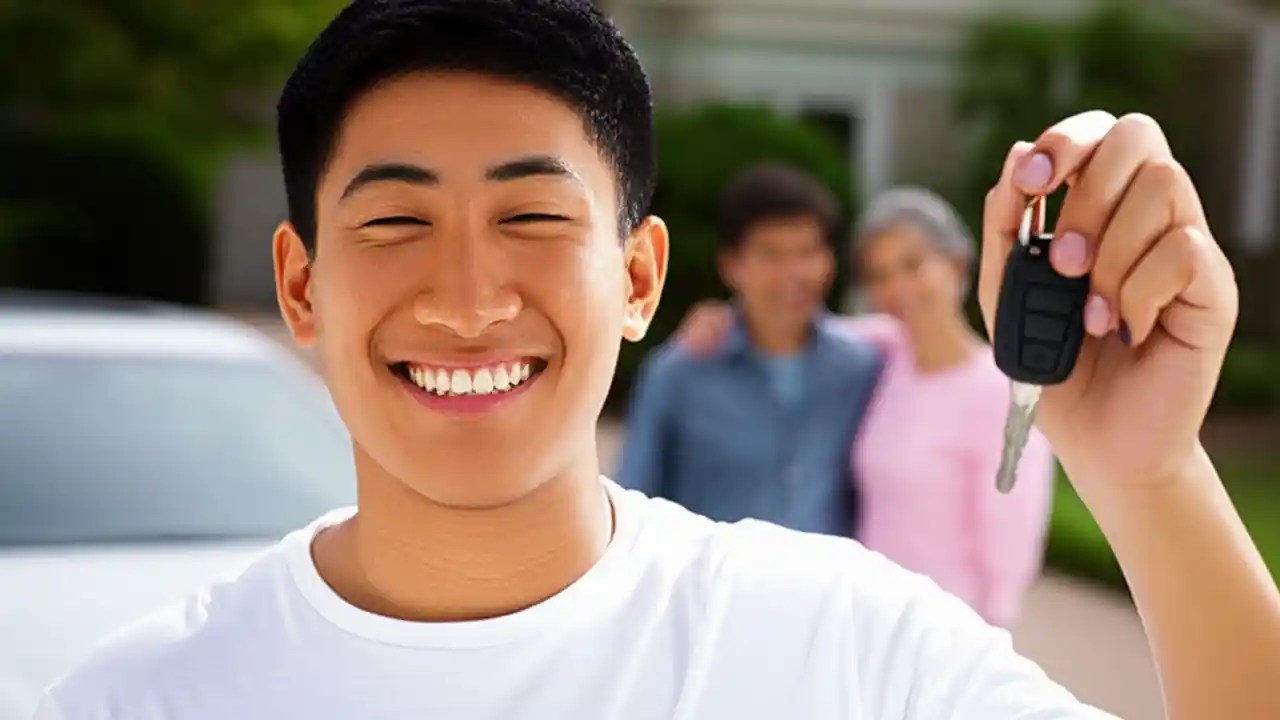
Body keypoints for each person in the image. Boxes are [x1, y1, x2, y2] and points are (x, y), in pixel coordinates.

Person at [36, 1, 1279, 718]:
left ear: (636, 277)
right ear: (300, 284)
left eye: (531, 218)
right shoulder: (139, 700)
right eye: (397, 221)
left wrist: (1146, 478)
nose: (469, 302)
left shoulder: (840, 646)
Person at [674, 187, 1055, 627]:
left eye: (913, 264)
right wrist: (722, 320)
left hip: (946, 630)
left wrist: (983, 651)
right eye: (879, 275)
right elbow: (793, 332)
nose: (898, 288)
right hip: (865, 621)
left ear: (956, 264)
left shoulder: (1004, 395)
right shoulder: (886, 353)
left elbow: (1010, 557)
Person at [615, 162, 882, 536]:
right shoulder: (681, 373)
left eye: (807, 252)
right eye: (772, 255)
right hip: (712, 592)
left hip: (829, 592)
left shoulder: (862, 367)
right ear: (732, 265)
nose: (794, 273)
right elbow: (633, 504)